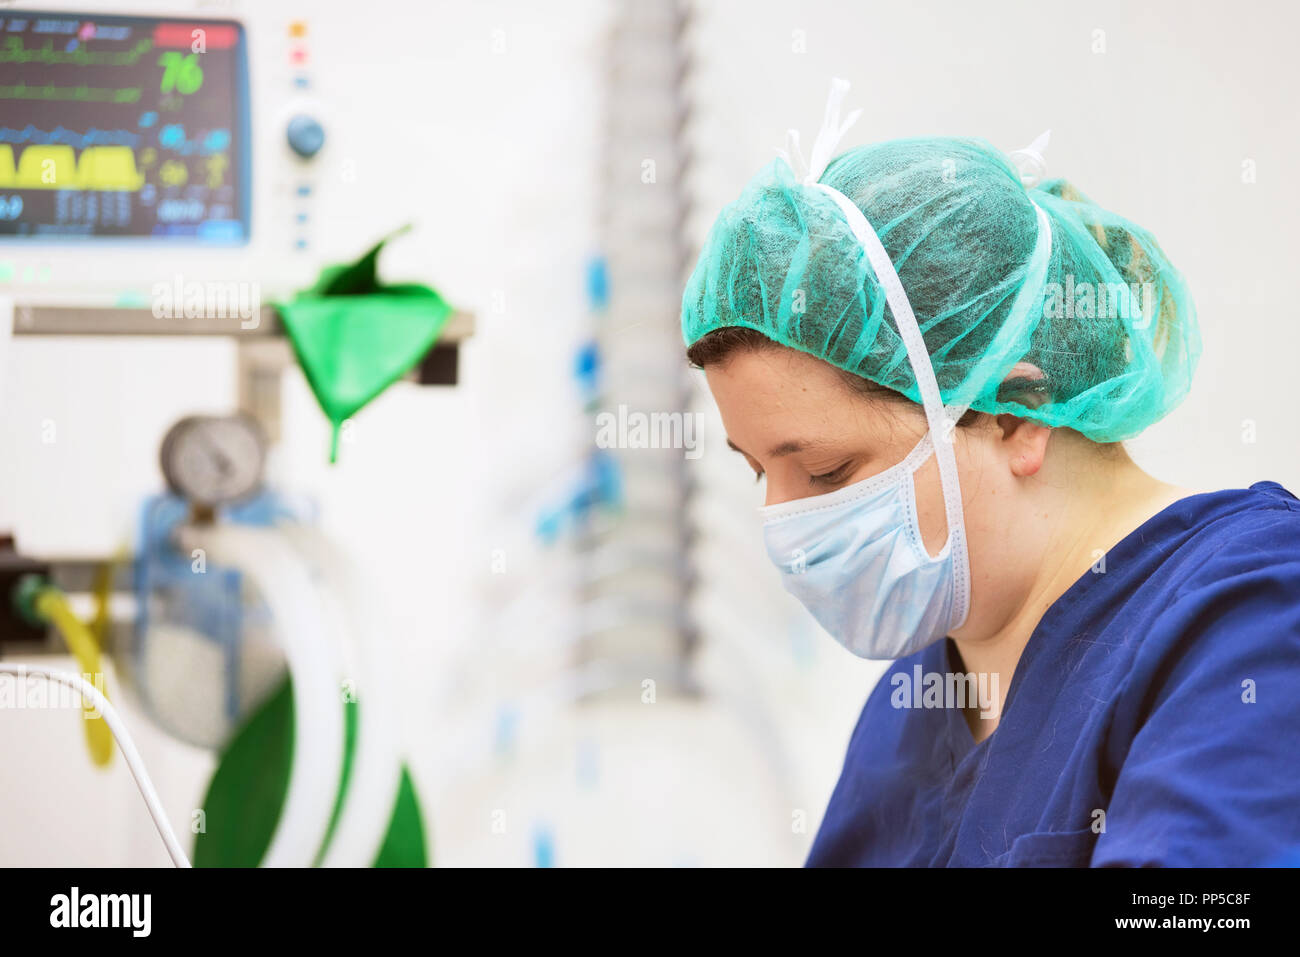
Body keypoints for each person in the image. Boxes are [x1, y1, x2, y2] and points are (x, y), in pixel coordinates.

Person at [681, 80, 1300, 866]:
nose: (783, 524)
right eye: (755, 471)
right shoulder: (910, 709)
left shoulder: (1247, 616)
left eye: (827, 470)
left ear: (1015, 412)